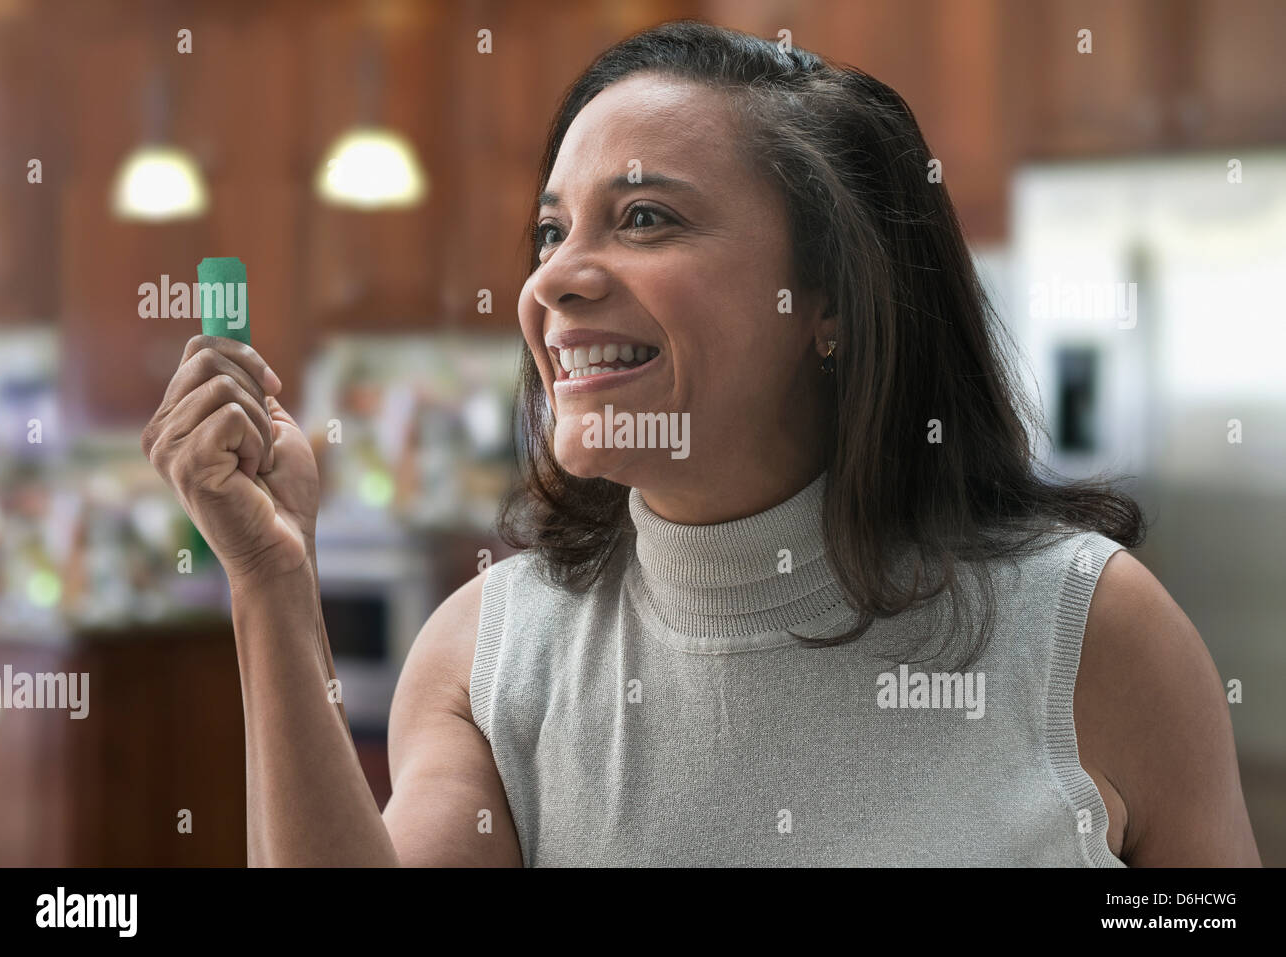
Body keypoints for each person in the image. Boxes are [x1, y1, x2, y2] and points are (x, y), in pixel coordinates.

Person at [140, 21, 1260, 866]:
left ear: (825, 300)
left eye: (643, 218)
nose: (552, 280)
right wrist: (272, 582)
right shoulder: (493, 653)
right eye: (550, 229)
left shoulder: (1086, 629)